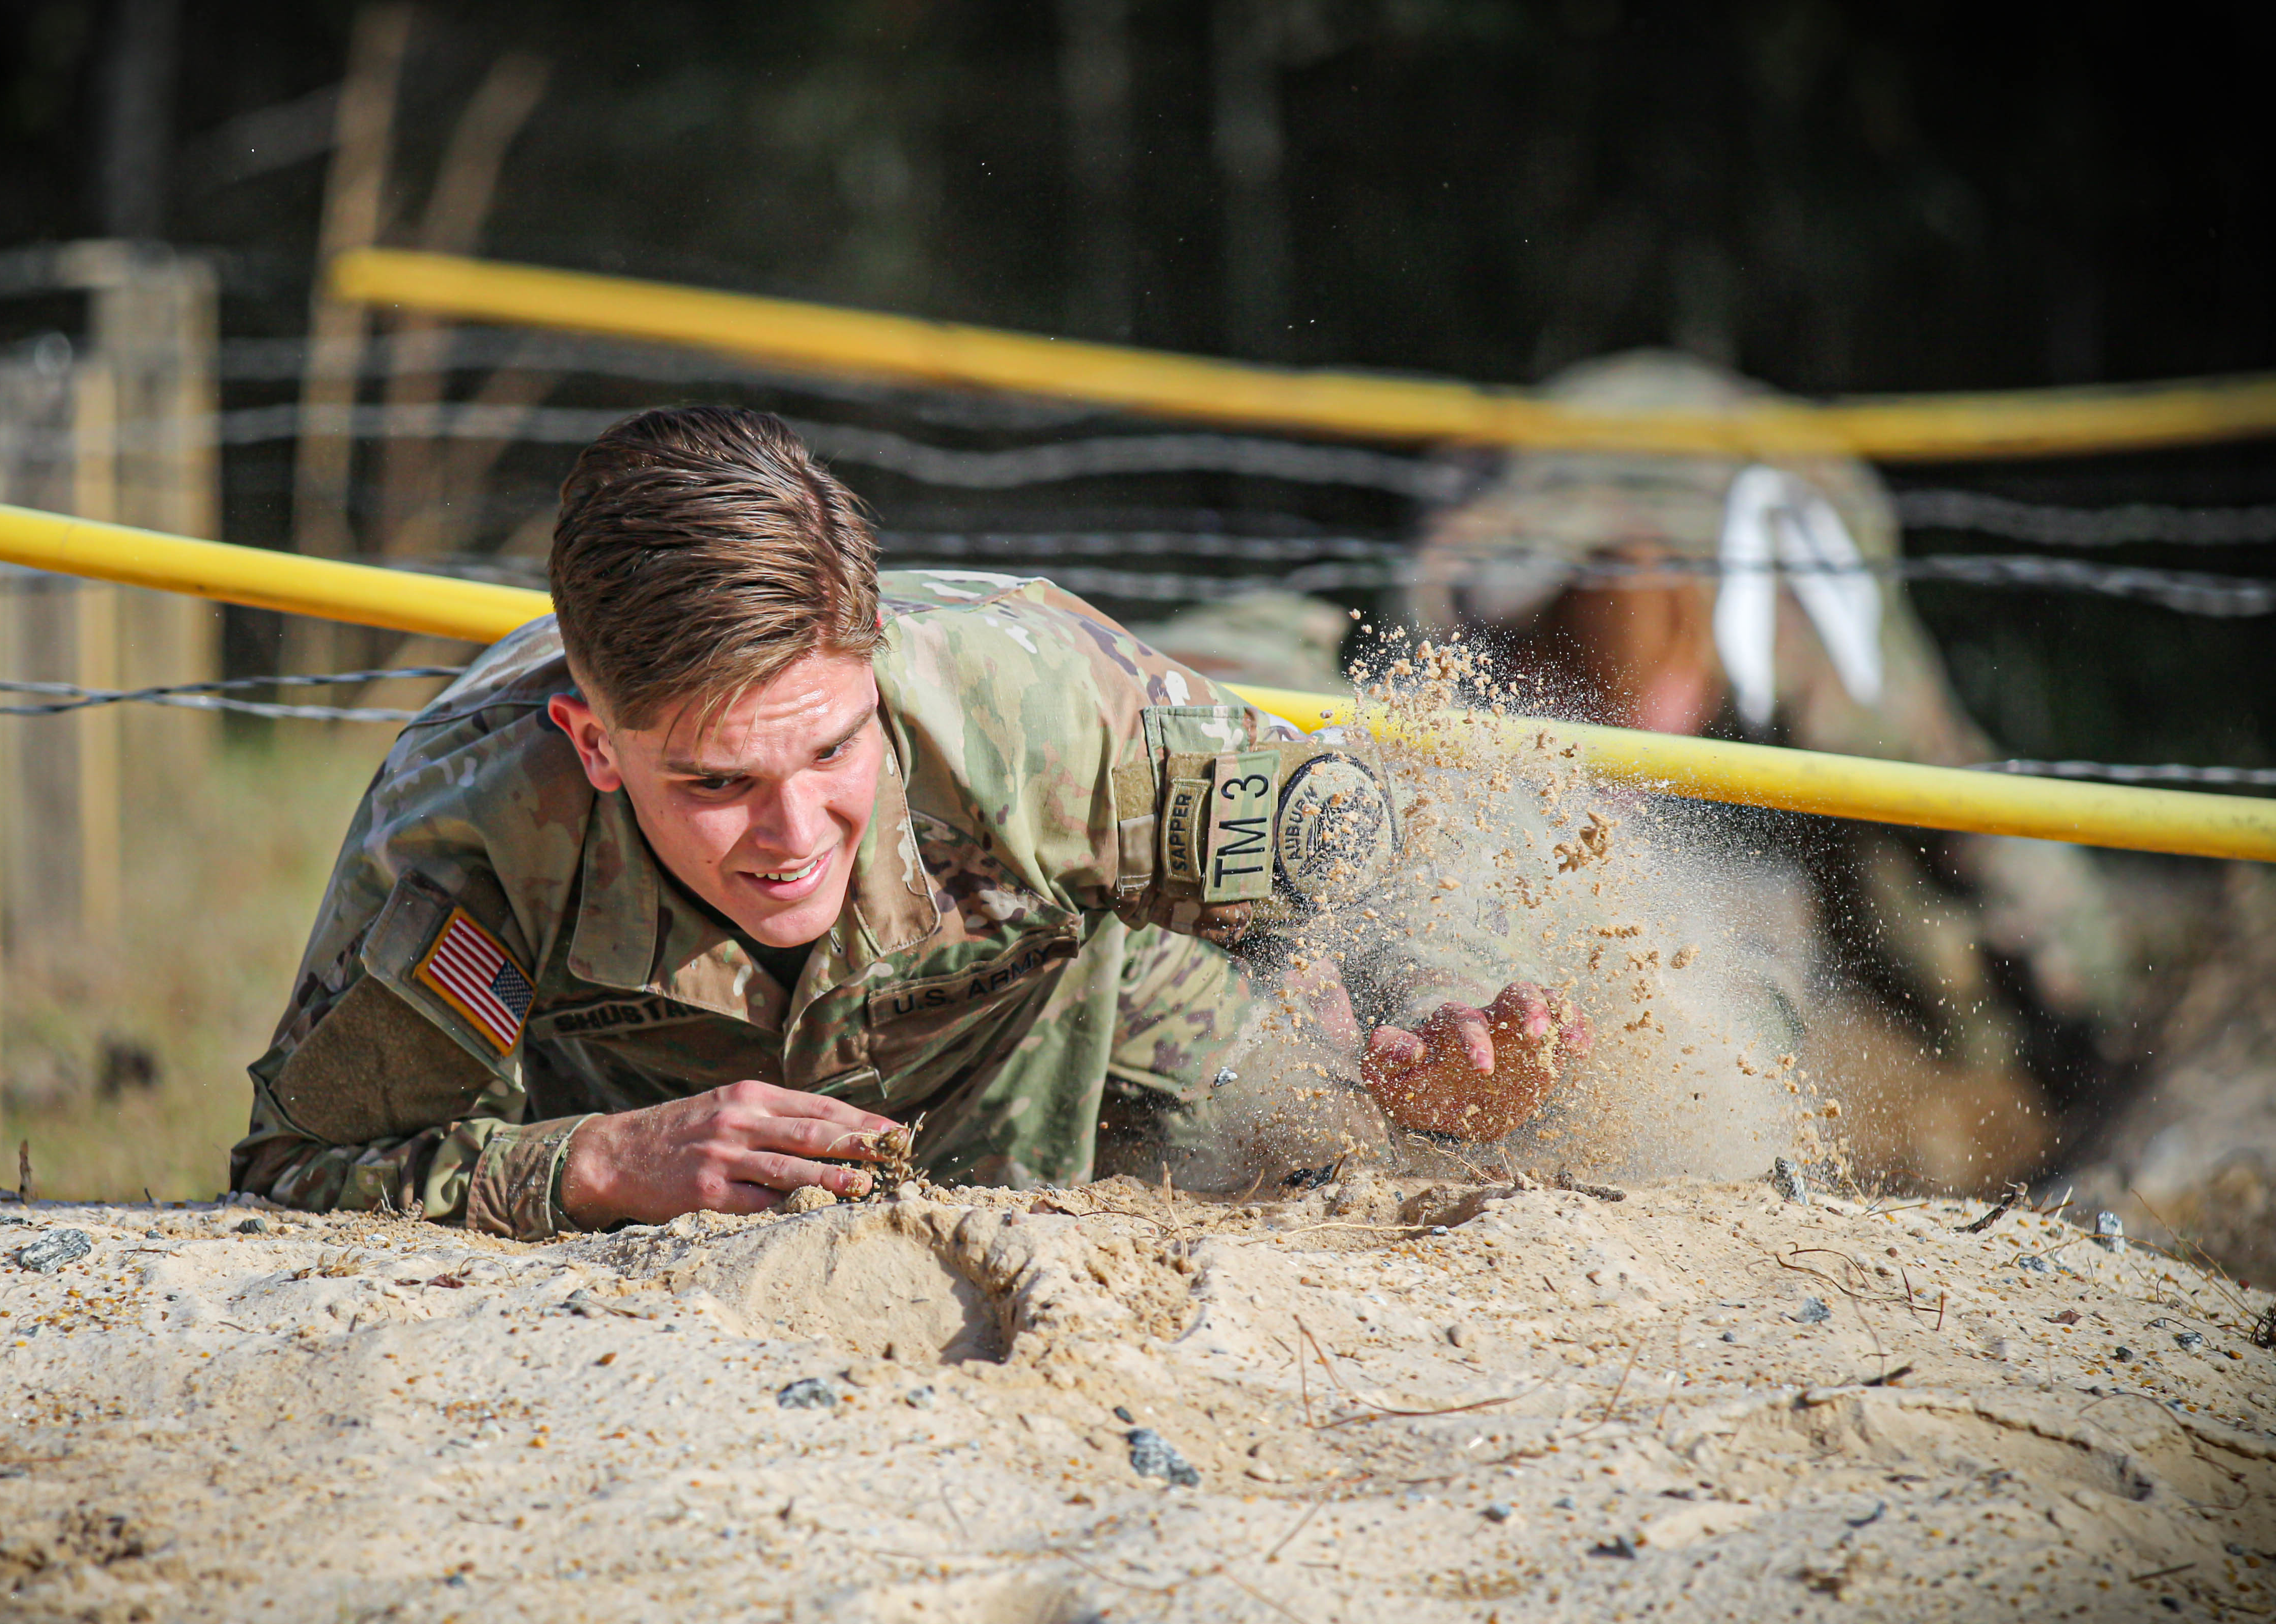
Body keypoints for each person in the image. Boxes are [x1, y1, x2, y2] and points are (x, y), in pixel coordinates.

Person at [229, 407, 1584, 1237]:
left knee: (1360, 1136)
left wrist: (1445, 1014)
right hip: (689, 1195)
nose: (793, 831)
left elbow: (1367, 848)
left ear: (874, 671)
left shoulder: (1034, 706)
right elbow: (297, 1173)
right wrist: (589, 1165)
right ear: (593, 744)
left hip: (1089, 1047)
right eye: (715, 783)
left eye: (831, 750)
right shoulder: (470, 823)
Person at [1400, 351, 2129, 1184]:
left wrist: (2099, 1018)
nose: (1626, 781)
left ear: (1703, 675)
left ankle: (2022, 1080)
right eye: (1595, 736)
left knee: (1907, 924)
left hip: (1771, 467)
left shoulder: (1824, 654)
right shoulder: (1470, 604)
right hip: (1559, 446)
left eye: (1638, 739)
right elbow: (1439, 822)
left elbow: (1980, 816)